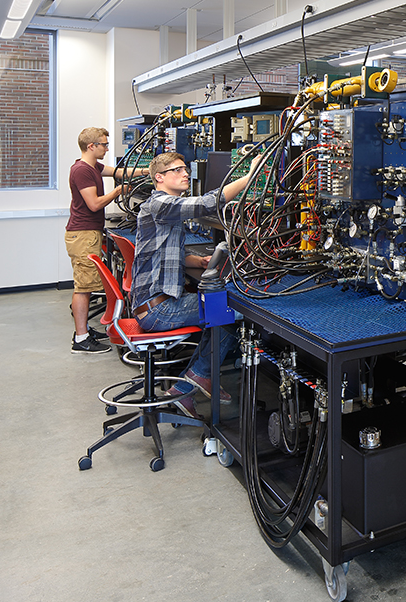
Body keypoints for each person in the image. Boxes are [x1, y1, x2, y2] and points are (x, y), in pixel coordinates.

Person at [131, 150, 261, 418]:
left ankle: (185, 388)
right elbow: (206, 204)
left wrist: (196, 261)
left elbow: (166, 252)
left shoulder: (162, 208)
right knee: (228, 310)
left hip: (153, 304)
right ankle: (198, 377)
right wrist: (249, 177)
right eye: (176, 170)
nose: (185, 174)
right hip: (158, 310)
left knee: (218, 310)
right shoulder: (160, 205)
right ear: (159, 177)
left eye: (185, 169)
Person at [66, 127, 146, 354]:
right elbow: (94, 204)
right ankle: (81, 339)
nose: (107, 148)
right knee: (83, 287)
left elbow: (119, 172)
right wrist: (118, 192)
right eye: (104, 144)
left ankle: (83, 332)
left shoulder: (93, 166)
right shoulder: (82, 170)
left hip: (87, 232)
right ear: (91, 146)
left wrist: (148, 170)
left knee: (86, 285)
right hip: (82, 234)